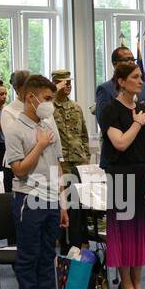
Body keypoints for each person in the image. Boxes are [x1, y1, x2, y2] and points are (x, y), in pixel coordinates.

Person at [4, 75, 71, 289]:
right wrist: (39, 145)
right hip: (28, 198)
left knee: (48, 256)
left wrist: (63, 203)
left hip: (52, 199)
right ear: (29, 98)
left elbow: (58, 165)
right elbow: (19, 170)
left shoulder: (49, 124)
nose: (49, 104)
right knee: (29, 256)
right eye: (46, 99)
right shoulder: (14, 128)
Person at [99, 61, 145, 289]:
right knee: (125, 233)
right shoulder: (110, 110)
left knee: (142, 231)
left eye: (140, 76)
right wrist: (137, 123)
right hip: (121, 176)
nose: (140, 81)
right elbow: (121, 143)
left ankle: (137, 282)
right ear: (121, 82)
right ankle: (126, 285)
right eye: (134, 77)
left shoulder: (144, 107)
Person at [51, 69, 90, 249]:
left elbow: (84, 135)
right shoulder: (49, 108)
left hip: (78, 160)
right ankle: (60, 237)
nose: (68, 85)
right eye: (64, 82)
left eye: (69, 82)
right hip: (60, 163)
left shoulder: (76, 107)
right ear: (55, 83)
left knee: (79, 201)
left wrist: (86, 157)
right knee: (62, 201)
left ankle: (79, 237)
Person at [94, 46, 135, 119]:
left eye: (133, 59)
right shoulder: (105, 89)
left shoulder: (142, 86)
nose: (131, 62)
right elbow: (103, 119)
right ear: (115, 64)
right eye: (126, 60)